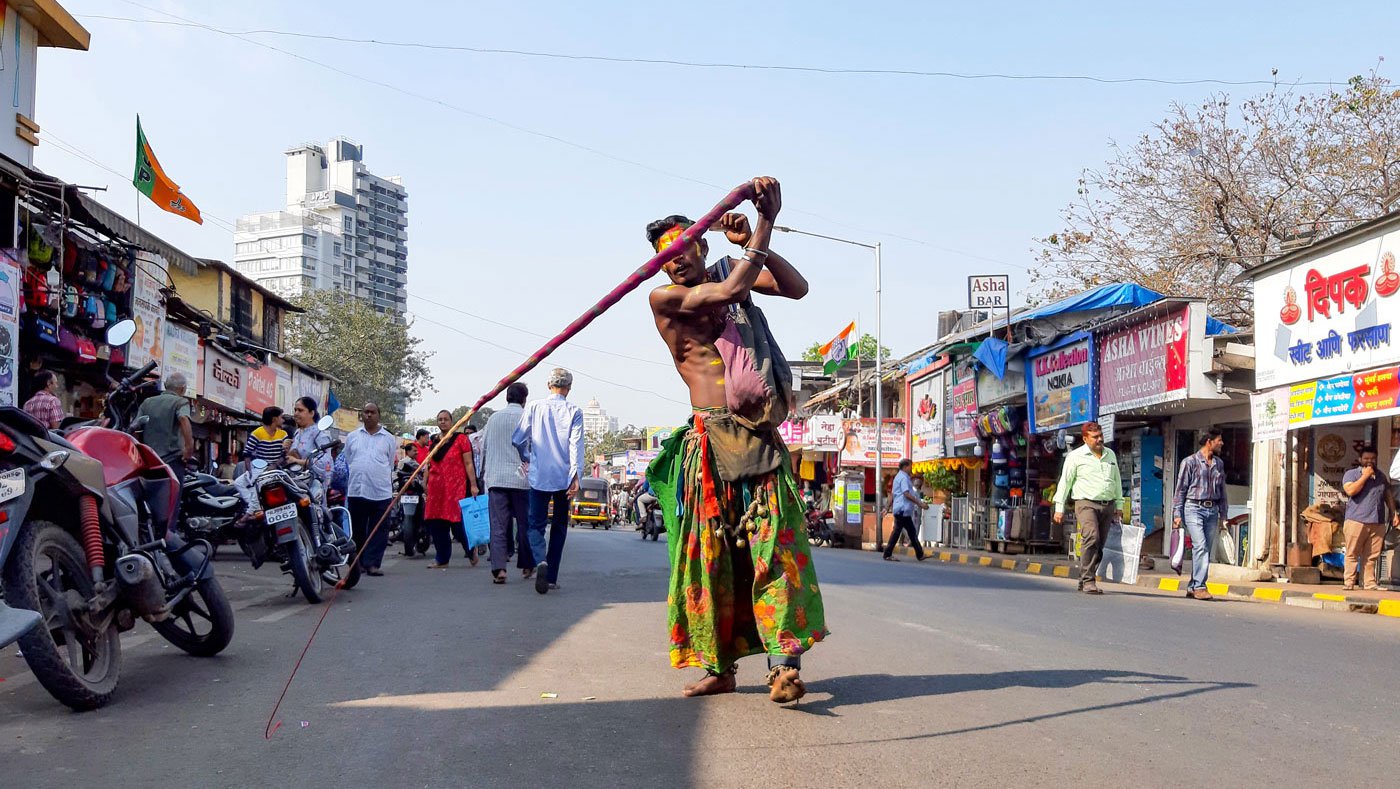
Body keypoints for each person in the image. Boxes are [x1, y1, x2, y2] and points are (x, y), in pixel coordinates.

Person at [644, 176, 825, 705]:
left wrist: (757, 237)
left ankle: (784, 664)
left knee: (776, 548)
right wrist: (763, 226)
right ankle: (718, 668)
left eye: (685, 247)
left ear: (703, 244)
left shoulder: (732, 268)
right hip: (707, 442)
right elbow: (727, 292)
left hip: (757, 437)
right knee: (710, 556)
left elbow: (796, 287)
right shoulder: (668, 297)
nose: (677, 260)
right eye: (666, 255)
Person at [512, 368, 585, 595]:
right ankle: (551, 577)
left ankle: (540, 560)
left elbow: (518, 439)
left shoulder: (534, 407)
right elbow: (576, 446)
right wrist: (576, 476)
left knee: (535, 525)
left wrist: (528, 456)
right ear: (569, 388)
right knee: (560, 526)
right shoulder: (574, 411)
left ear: (548, 385)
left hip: (539, 475)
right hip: (563, 477)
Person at [1053, 422, 1123, 596]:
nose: (1099, 439)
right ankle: (1088, 580)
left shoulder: (1110, 454)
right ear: (1085, 439)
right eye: (1095, 437)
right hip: (1085, 503)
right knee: (1091, 537)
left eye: (1100, 436)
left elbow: (1117, 481)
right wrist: (1059, 507)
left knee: (1100, 544)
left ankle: (1084, 577)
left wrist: (1119, 505)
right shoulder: (1075, 457)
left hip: (1108, 504)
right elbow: (1065, 482)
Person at [482, 382, 535, 583]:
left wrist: (483, 477)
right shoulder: (527, 418)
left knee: (498, 526)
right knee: (525, 525)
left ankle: (499, 570)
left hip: (496, 479)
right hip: (522, 480)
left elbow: (483, 448)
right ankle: (527, 566)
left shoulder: (493, 419)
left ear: (507, 398)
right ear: (524, 399)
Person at [1172, 429, 1229, 600]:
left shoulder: (1219, 464)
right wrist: (1177, 513)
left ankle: (1192, 586)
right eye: (1219, 440)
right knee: (1201, 546)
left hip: (1212, 510)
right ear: (1209, 442)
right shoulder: (1189, 462)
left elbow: (1222, 490)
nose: (1222, 443)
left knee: (1205, 549)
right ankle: (1200, 586)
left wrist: (1223, 515)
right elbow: (1180, 489)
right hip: (1193, 508)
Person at [342, 402, 398, 576]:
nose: (369, 415)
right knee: (357, 529)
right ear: (362, 415)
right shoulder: (352, 436)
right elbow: (349, 459)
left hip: (380, 491)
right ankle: (358, 564)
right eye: (366, 412)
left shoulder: (388, 438)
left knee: (379, 529)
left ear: (378, 415)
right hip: (357, 490)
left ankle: (373, 564)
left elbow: (389, 463)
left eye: (372, 412)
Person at [423, 409, 481, 569]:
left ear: (452, 421)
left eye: (446, 419)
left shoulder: (461, 439)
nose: (442, 422)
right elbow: (429, 463)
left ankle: (470, 551)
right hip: (436, 488)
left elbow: (469, 463)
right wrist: (425, 481)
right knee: (436, 522)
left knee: (456, 523)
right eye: (440, 419)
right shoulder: (434, 441)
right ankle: (442, 559)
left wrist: (474, 484)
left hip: (455, 487)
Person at [136, 373, 194, 522]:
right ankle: (168, 536)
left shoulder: (147, 402)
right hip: (172, 462)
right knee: (170, 505)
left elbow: (136, 427)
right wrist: (189, 448)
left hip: (149, 462)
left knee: (148, 502)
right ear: (182, 388)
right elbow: (183, 419)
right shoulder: (181, 402)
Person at [1340, 446, 1398, 591]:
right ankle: (1349, 582)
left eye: (1372, 459)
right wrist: (1365, 476)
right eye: (1366, 458)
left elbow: (1388, 495)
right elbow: (1350, 490)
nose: (1369, 461)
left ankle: (1370, 583)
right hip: (1356, 520)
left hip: (1377, 521)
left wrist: (1393, 513)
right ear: (1360, 459)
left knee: (1372, 555)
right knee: (1352, 553)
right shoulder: (1351, 474)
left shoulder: (1381, 476)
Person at [286, 396, 333, 502]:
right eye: (295, 410)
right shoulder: (298, 433)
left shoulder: (319, 434)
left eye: (300, 410)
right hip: (295, 483)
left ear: (311, 413)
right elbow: (293, 456)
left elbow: (326, 463)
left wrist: (297, 461)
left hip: (313, 486)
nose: (296, 413)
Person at [884, 459, 928, 562]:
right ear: (905, 467)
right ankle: (887, 553)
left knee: (911, 532)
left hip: (901, 509)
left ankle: (920, 554)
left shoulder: (899, 477)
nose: (911, 468)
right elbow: (906, 494)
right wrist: (919, 503)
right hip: (902, 509)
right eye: (910, 466)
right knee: (899, 532)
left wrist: (887, 507)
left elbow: (893, 494)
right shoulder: (903, 478)